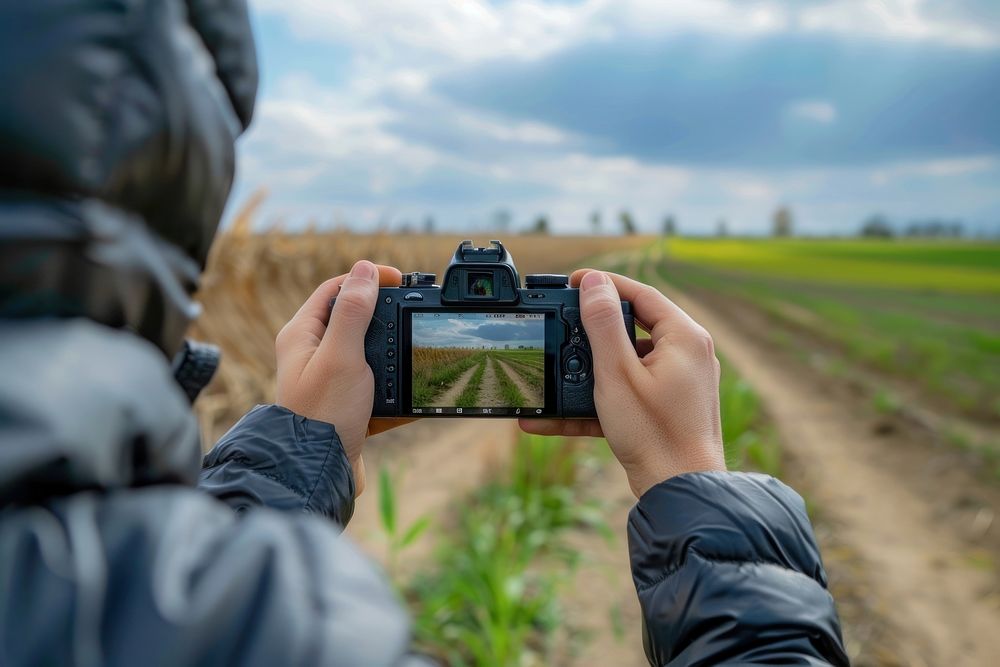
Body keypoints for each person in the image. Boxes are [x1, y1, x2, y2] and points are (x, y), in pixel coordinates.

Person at [0, 1, 849, 665]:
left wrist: (282, 465)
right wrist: (693, 478)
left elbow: (154, 603)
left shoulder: (152, 605)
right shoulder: (246, 627)